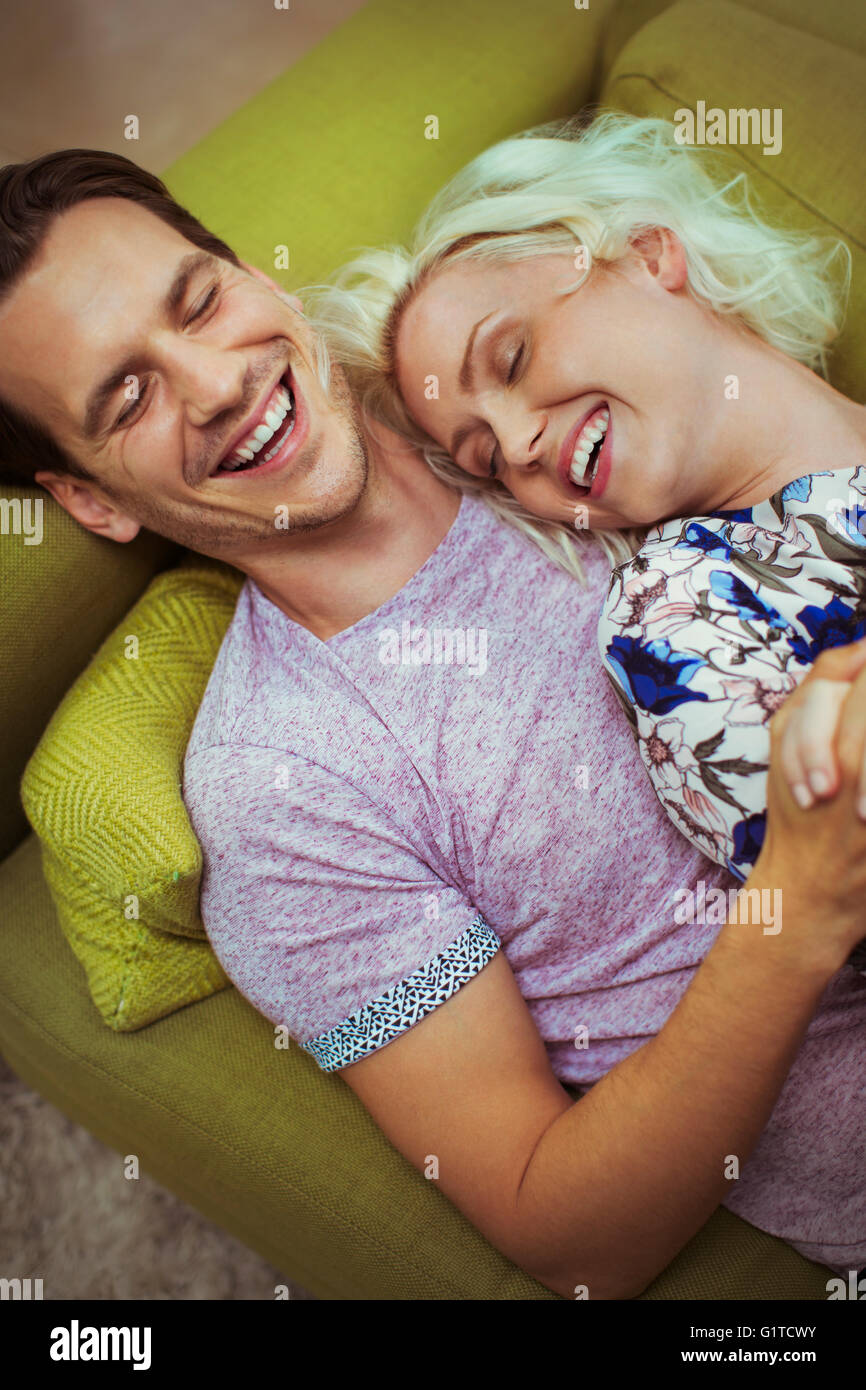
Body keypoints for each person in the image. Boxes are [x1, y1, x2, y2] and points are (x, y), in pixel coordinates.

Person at [1, 148, 864, 1299]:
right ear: (93, 500)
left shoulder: (474, 362)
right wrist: (792, 916)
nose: (211, 382)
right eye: (128, 398)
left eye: (200, 300)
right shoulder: (286, 789)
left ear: (254, 274)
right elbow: (563, 1234)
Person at [314, 111, 866, 963]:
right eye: (488, 456)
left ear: (649, 255)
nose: (521, 444)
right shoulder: (681, 619)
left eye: (510, 358)